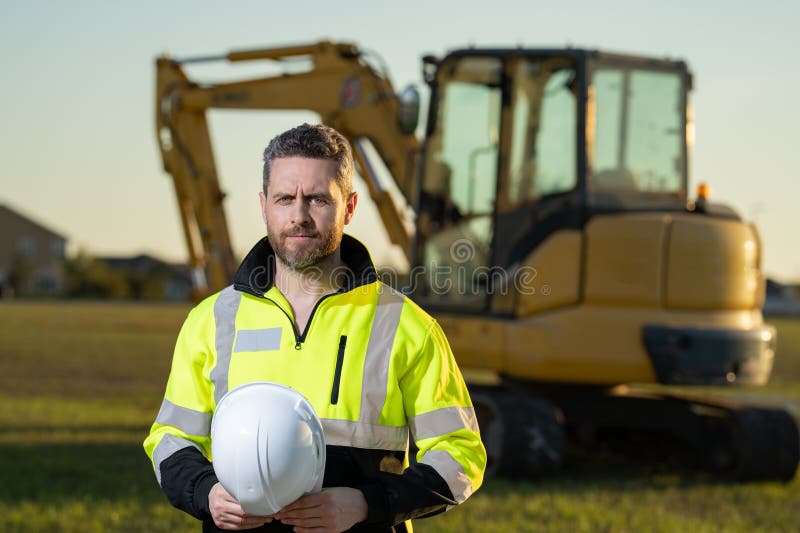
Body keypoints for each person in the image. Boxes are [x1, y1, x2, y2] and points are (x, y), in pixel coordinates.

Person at [143, 123, 486, 532]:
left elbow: (460, 452)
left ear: (350, 207)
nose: (299, 216)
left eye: (318, 199)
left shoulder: (406, 325)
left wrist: (367, 504)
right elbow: (170, 439)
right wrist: (206, 493)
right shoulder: (212, 320)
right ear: (264, 205)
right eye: (285, 198)